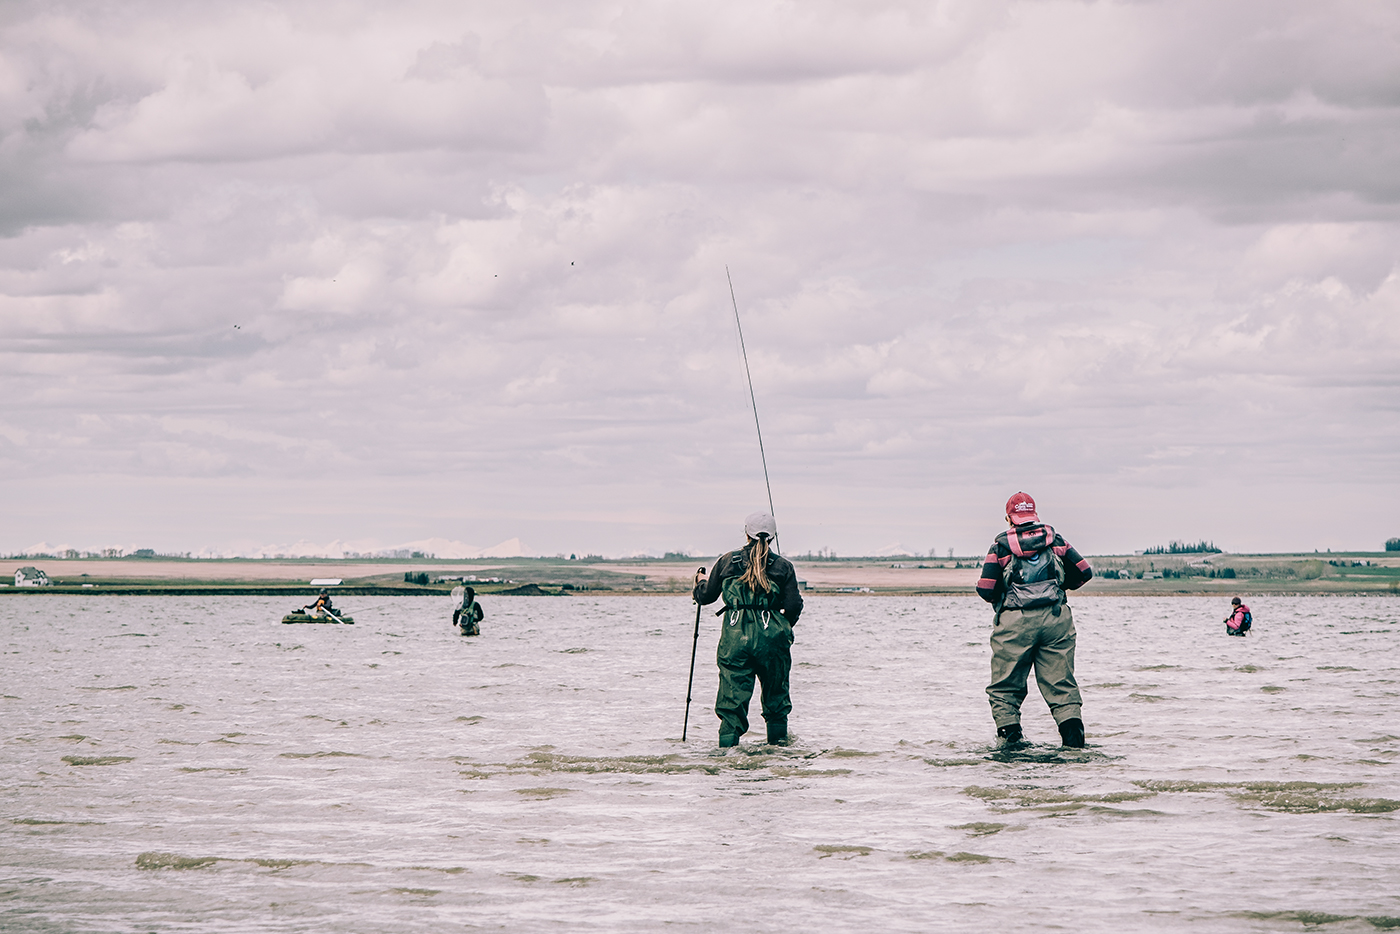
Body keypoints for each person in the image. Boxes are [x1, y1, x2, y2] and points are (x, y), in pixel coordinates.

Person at [976, 492, 1093, 748]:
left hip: (1014, 624)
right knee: (1062, 686)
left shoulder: (1000, 547)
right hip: (1056, 620)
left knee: (1005, 689)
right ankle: (1075, 749)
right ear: (1034, 514)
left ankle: (1012, 750)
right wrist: (1061, 588)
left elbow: (985, 589)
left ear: (1009, 518)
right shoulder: (1055, 540)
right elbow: (1085, 571)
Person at [692, 512, 804, 747]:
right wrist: (779, 628)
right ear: (774, 537)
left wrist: (700, 582)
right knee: (776, 700)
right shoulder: (783, 566)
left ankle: (727, 758)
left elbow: (706, 597)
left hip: (735, 639)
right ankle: (779, 754)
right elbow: (794, 606)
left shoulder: (726, 561)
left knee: (731, 701)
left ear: (746, 533)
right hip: (773, 637)